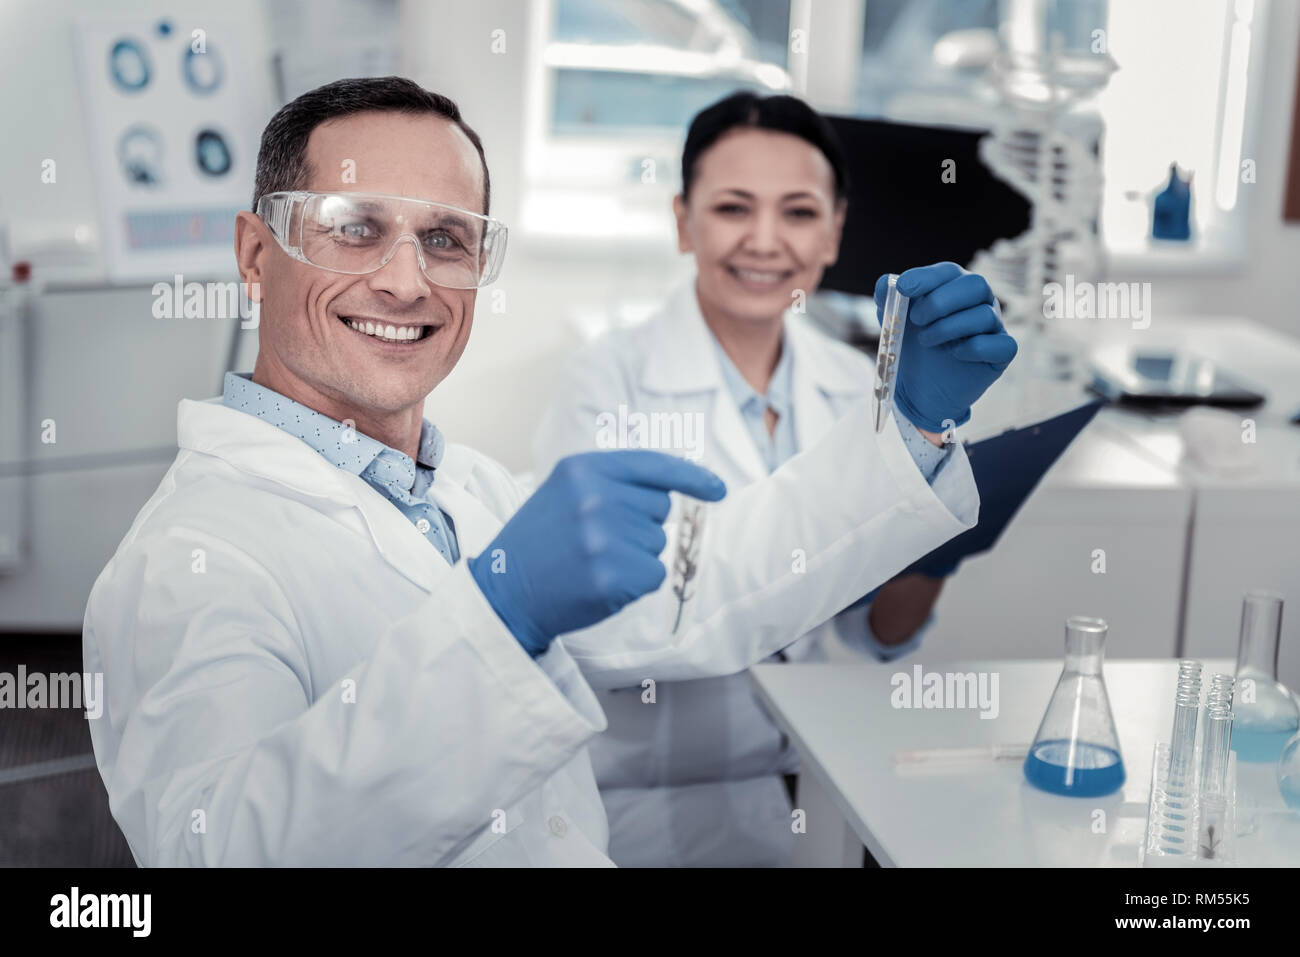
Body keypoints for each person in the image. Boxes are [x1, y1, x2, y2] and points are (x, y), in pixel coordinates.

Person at [83, 77, 1013, 867]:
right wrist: (499, 617)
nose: (406, 281)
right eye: (355, 227)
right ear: (256, 254)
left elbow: (704, 585)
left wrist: (910, 428)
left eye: (446, 240)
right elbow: (228, 848)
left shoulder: (466, 489)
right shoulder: (188, 561)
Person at [533, 91, 1008, 867]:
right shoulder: (603, 383)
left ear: (835, 230)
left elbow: (875, 634)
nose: (764, 242)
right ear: (683, 221)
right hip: (642, 797)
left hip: (813, 777)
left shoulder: (867, 383)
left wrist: (931, 542)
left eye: (796, 211)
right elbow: (605, 622)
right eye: (731, 208)